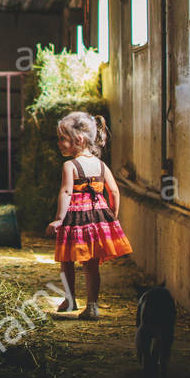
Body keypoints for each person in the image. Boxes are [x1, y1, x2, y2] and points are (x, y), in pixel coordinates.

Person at [45, 111, 132, 319]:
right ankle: (92, 305)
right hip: (97, 220)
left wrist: (59, 218)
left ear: (79, 139)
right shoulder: (102, 165)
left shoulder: (70, 166)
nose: (58, 143)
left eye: (62, 139)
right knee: (91, 265)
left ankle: (70, 299)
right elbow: (114, 191)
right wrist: (112, 216)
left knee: (67, 260)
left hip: (75, 220)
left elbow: (66, 192)